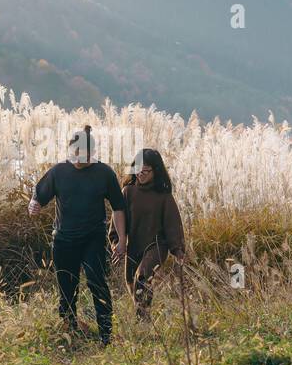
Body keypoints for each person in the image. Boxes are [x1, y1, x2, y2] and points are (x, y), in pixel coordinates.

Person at [29, 125, 126, 345]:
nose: (80, 158)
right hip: (63, 239)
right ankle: (70, 333)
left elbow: (119, 207)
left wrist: (122, 240)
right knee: (66, 288)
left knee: (97, 282)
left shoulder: (105, 173)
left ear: (93, 151)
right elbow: (38, 197)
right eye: (76, 153)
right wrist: (33, 204)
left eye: (85, 154)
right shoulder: (58, 171)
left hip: (94, 237)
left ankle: (106, 335)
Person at [117, 148, 186, 319]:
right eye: (137, 168)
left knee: (142, 275)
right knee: (131, 282)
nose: (140, 173)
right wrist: (117, 242)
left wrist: (177, 250)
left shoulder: (164, 196)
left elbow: (173, 224)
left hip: (156, 245)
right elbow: (118, 220)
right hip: (134, 244)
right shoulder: (128, 192)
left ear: (156, 171)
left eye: (146, 170)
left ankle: (143, 320)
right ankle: (144, 317)